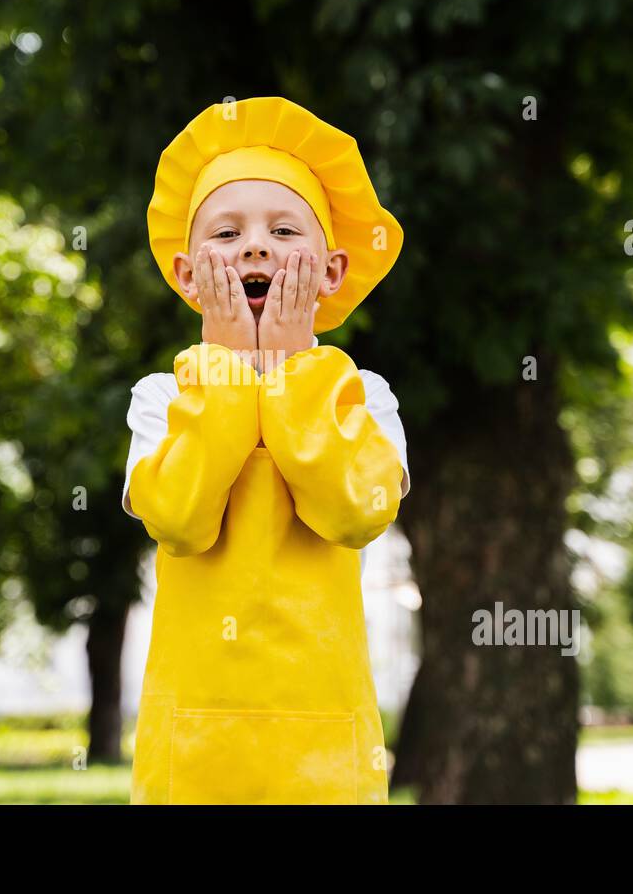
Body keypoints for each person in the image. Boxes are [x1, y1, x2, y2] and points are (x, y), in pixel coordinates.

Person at [122, 96, 410, 804]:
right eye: (228, 233)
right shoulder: (161, 397)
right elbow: (180, 520)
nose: (255, 247)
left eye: (283, 229)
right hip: (192, 750)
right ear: (188, 275)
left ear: (333, 270)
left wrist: (292, 375)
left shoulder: (365, 396)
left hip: (325, 752)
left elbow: (352, 514)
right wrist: (224, 372)